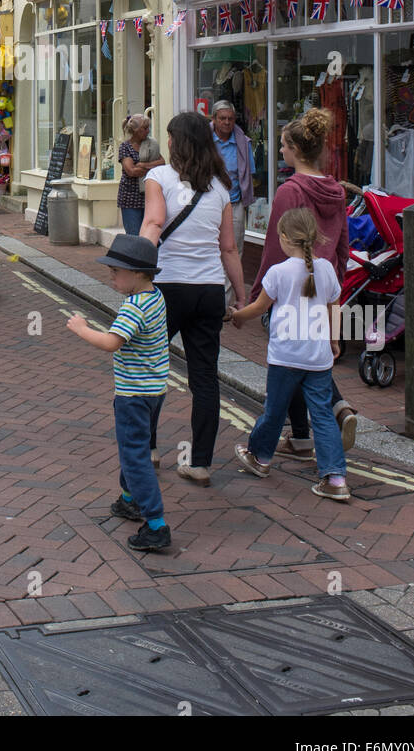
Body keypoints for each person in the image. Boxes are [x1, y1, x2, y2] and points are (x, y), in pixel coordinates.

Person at [141, 111, 245, 487]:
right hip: (208, 292)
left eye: (170, 137)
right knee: (205, 378)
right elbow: (229, 249)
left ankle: (150, 449)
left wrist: (136, 269)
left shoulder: (159, 178)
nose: (167, 143)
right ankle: (200, 462)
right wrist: (243, 296)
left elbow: (153, 225)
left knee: (151, 368)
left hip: (166, 288)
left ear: (178, 142)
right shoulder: (220, 188)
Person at [251, 108, 357, 458]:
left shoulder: (289, 192)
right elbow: (342, 246)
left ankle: (312, 425)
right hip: (321, 287)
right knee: (307, 359)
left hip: (290, 290)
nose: (281, 151)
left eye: (283, 146)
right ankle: (304, 434)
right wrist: (332, 287)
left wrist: (258, 295)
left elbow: (272, 250)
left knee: (290, 360)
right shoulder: (336, 191)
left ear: (296, 148)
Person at [230, 208, 350, 502]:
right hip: (318, 357)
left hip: (285, 357)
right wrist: (333, 341)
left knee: (275, 411)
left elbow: (259, 308)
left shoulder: (278, 272)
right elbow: (334, 306)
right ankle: (335, 478)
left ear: (284, 238)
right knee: (321, 415)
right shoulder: (326, 269)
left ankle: (260, 457)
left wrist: (237, 316)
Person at [66, 234, 171, 551]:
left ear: (138, 273)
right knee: (134, 447)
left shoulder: (134, 307)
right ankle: (128, 500)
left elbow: (112, 343)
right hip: (154, 390)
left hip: (133, 395)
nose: (111, 275)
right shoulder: (155, 296)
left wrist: (82, 329)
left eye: (116, 271)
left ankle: (156, 525)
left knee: (135, 456)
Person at [211, 101, 255, 311]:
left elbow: (249, 173)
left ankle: (224, 303)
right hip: (209, 202)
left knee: (233, 251)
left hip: (235, 202)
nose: (227, 122)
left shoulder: (243, 143)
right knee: (212, 248)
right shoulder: (205, 142)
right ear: (214, 120)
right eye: (222, 118)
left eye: (230, 119)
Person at [117, 114, 165, 234]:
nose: (148, 131)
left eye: (148, 127)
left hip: (149, 197)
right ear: (135, 131)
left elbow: (162, 162)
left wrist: (143, 165)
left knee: (150, 233)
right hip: (130, 198)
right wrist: (153, 168)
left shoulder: (151, 144)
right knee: (134, 234)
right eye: (145, 128)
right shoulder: (125, 147)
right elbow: (131, 171)